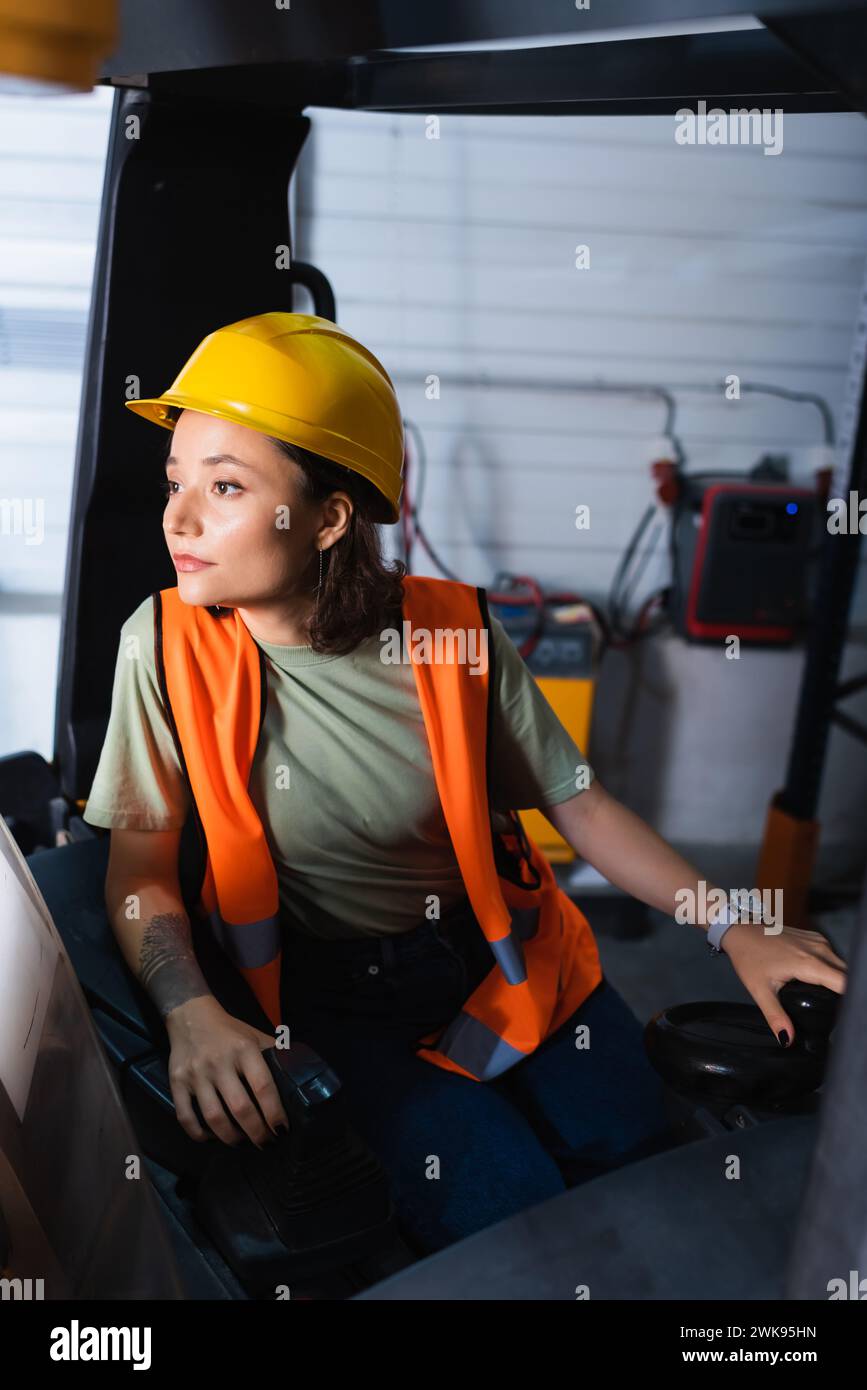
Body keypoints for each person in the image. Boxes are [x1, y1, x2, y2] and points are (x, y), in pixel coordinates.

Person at [84, 312, 847, 1257]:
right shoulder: (159, 647)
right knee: (507, 1216)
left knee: (643, 1157)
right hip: (330, 998)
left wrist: (737, 927)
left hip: (507, 966)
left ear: (328, 518)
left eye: (226, 487)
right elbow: (140, 869)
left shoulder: (452, 637)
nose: (178, 519)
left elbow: (581, 806)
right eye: (175, 484)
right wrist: (191, 1013)